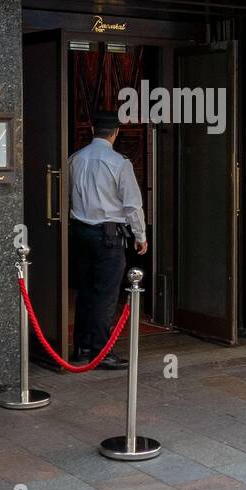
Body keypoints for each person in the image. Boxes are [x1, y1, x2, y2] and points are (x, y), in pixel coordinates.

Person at [68, 110, 147, 370]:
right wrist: (140, 236)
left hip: (80, 232)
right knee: (106, 295)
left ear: (93, 130)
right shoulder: (119, 163)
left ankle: (81, 348)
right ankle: (101, 351)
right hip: (108, 235)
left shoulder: (75, 159)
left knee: (86, 292)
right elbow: (132, 205)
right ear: (115, 132)